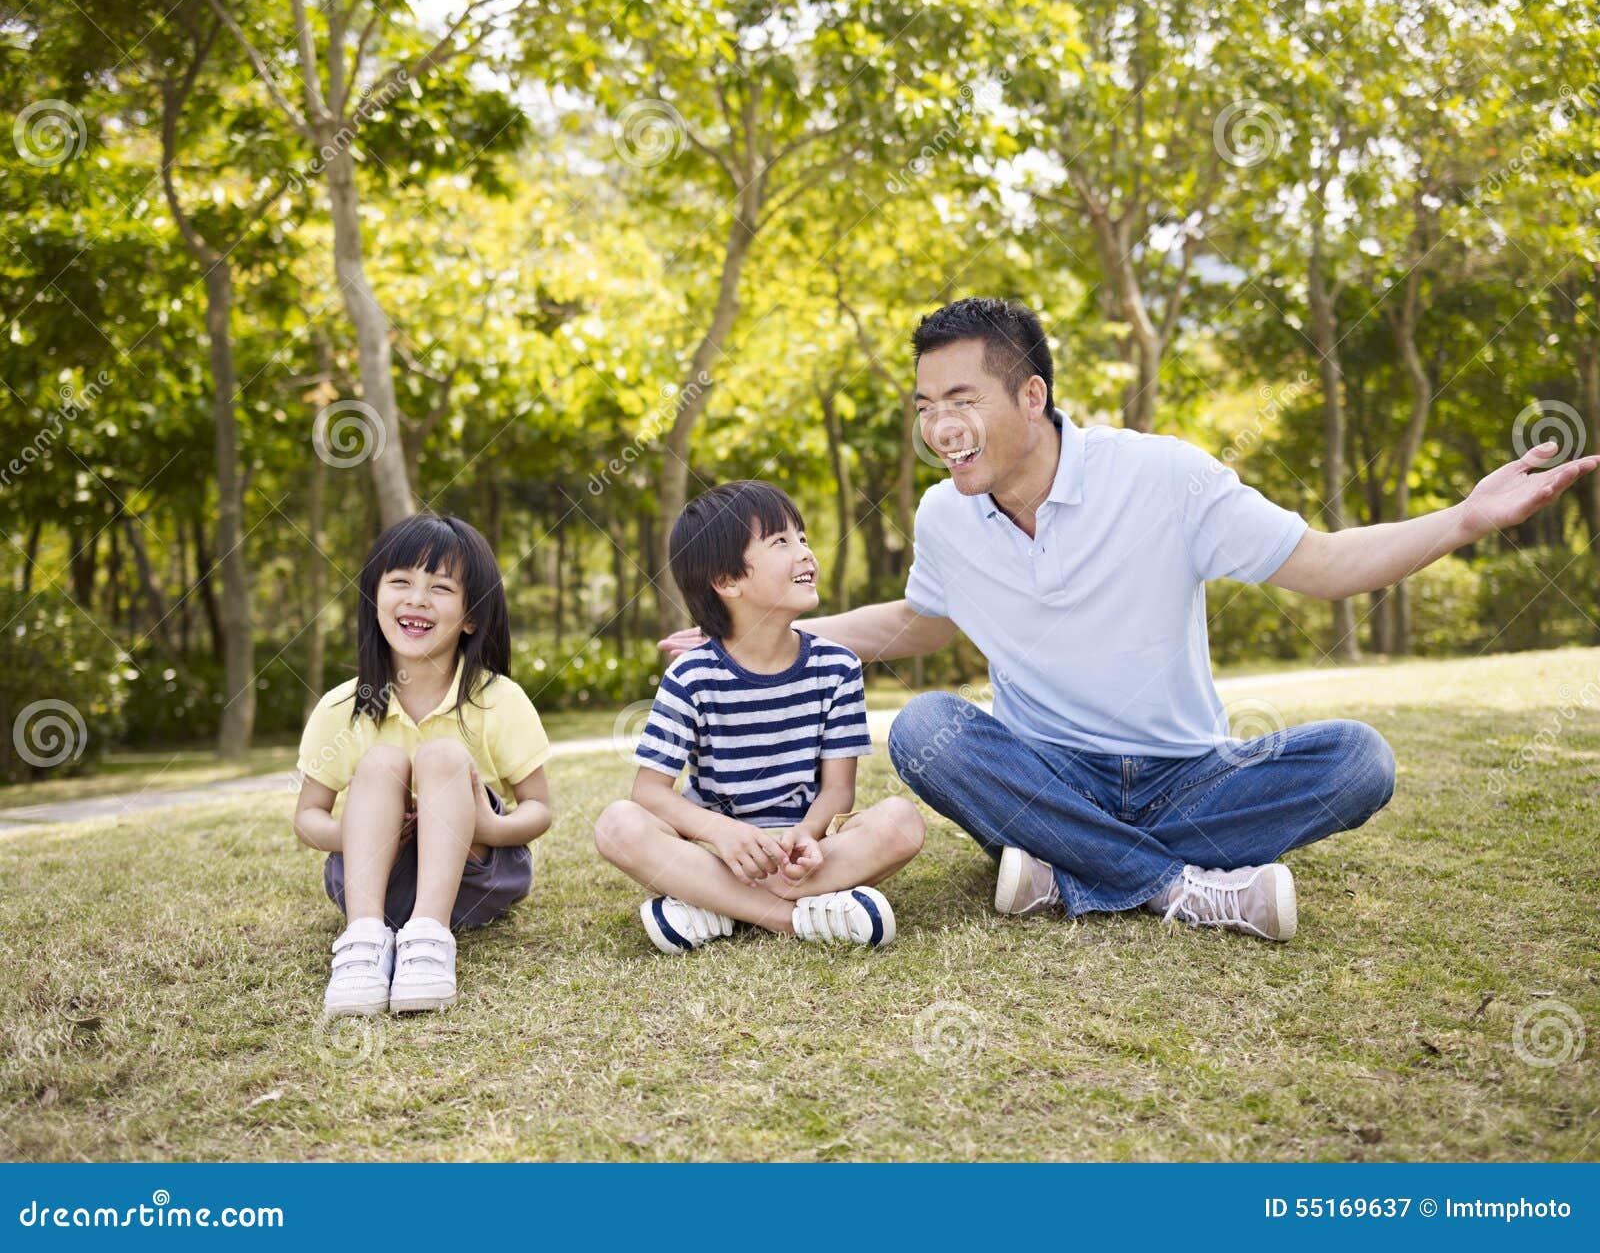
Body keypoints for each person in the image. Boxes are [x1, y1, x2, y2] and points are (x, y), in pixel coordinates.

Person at [661, 297, 1600, 942]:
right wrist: (748, 637)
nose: (940, 428)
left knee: (1360, 759)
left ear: (1031, 396)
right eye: (925, 408)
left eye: (961, 402)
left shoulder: (1166, 477)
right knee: (929, 730)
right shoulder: (947, 514)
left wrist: (1465, 519)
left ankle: (1072, 879)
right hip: (1041, 777)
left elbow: (1323, 566)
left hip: (1187, 775)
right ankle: (1180, 890)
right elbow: (921, 623)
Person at [596, 480, 925, 953]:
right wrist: (722, 835)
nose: (806, 553)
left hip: (805, 850)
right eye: (781, 542)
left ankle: (713, 906)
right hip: (714, 851)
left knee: (901, 822)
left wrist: (806, 838)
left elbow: (837, 790)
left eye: (804, 538)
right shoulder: (691, 676)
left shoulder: (838, 668)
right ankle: (796, 918)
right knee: (617, 824)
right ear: (729, 581)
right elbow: (647, 793)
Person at [294, 514, 553, 1015]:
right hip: (376, 884)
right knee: (382, 763)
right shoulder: (340, 706)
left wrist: (486, 825)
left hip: (475, 878)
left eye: (439, 588)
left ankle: (429, 941)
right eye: (400, 583)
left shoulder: (499, 699)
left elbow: (538, 809)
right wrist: (360, 830)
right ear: (374, 600)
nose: (416, 599)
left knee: (442, 758)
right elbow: (308, 816)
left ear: (471, 616)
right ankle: (363, 942)